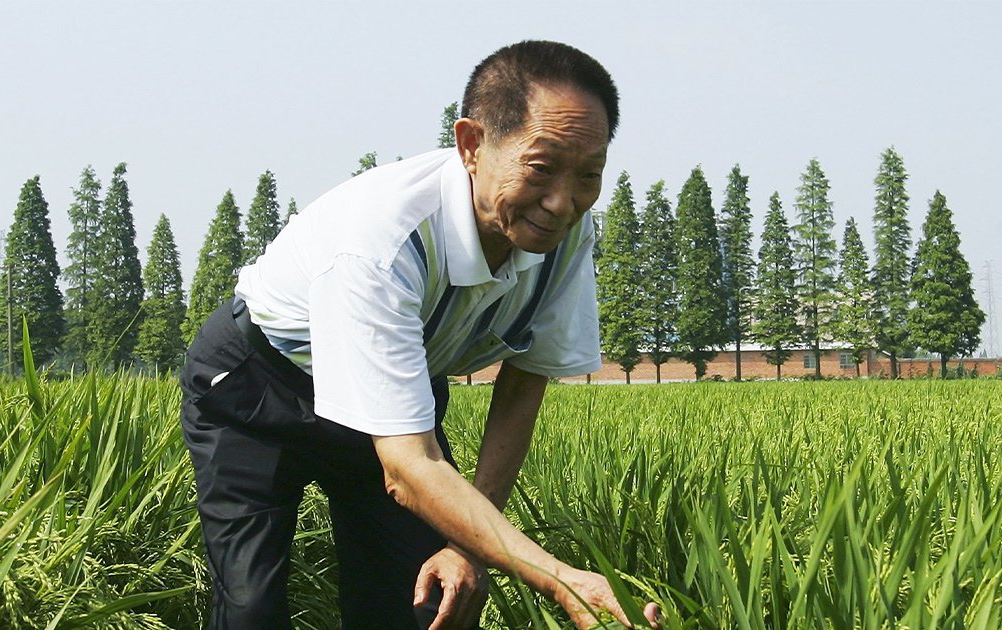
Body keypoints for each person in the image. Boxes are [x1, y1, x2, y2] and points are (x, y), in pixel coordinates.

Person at [180, 40, 661, 629]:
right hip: (258, 389)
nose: (562, 202)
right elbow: (409, 470)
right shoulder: (380, 239)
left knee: (428, 602)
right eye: (541, 168)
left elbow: (523, 384)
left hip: (396, 399)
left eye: (588, 176)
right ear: (472, 145)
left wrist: (470, 546)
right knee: (251, 610)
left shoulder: (563, 236)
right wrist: (561, 581)